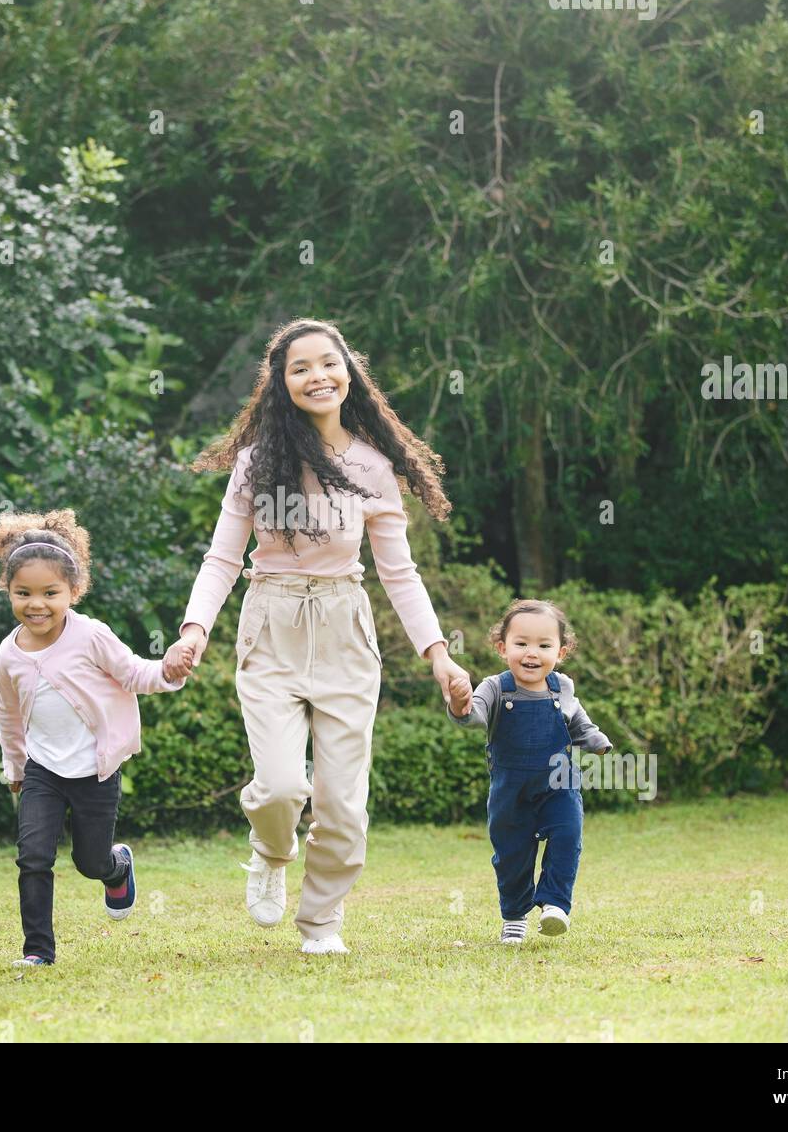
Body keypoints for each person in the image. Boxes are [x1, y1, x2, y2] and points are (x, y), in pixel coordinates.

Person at [163, 317, 473, 955]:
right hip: (270, 625)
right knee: (280, 786)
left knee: (344, 806)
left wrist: (439, 656)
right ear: (281, 383)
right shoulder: (256, 462)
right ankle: (271, 851)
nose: (316, 376)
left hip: (344, 631)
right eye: (299, 367)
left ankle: (322, 922)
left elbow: (399, 573)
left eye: (327, 364)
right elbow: (222, 559)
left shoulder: (373, 465)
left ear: (349, 372)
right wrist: (193, 630)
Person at [0, 509, 191, 967]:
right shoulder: (8, 655)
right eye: (23, 593)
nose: (35, 604)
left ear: (73, 592)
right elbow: (8, 715)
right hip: (43, 770)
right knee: (33, 857)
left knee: (89, 862)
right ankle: (38, 951)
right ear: (8, 591)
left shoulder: (91, 635)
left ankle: (115, 866)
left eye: (49, 593)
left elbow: (134, 673)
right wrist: (15, 766)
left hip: (95, 771)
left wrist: (169, 670)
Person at [446, 598, 611, 943]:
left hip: (559, 784)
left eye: (543, 645)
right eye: (521, 644)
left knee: (568, 836)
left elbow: (577, 720)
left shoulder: (562, 687)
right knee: (512, 855)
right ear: (502, 648)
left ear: (561, 652)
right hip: (510, 791)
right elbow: (474, 715)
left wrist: (595, 739)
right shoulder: (495, 687)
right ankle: (514, 915)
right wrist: (460, 705)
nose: (531, 653)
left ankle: (554, 904)